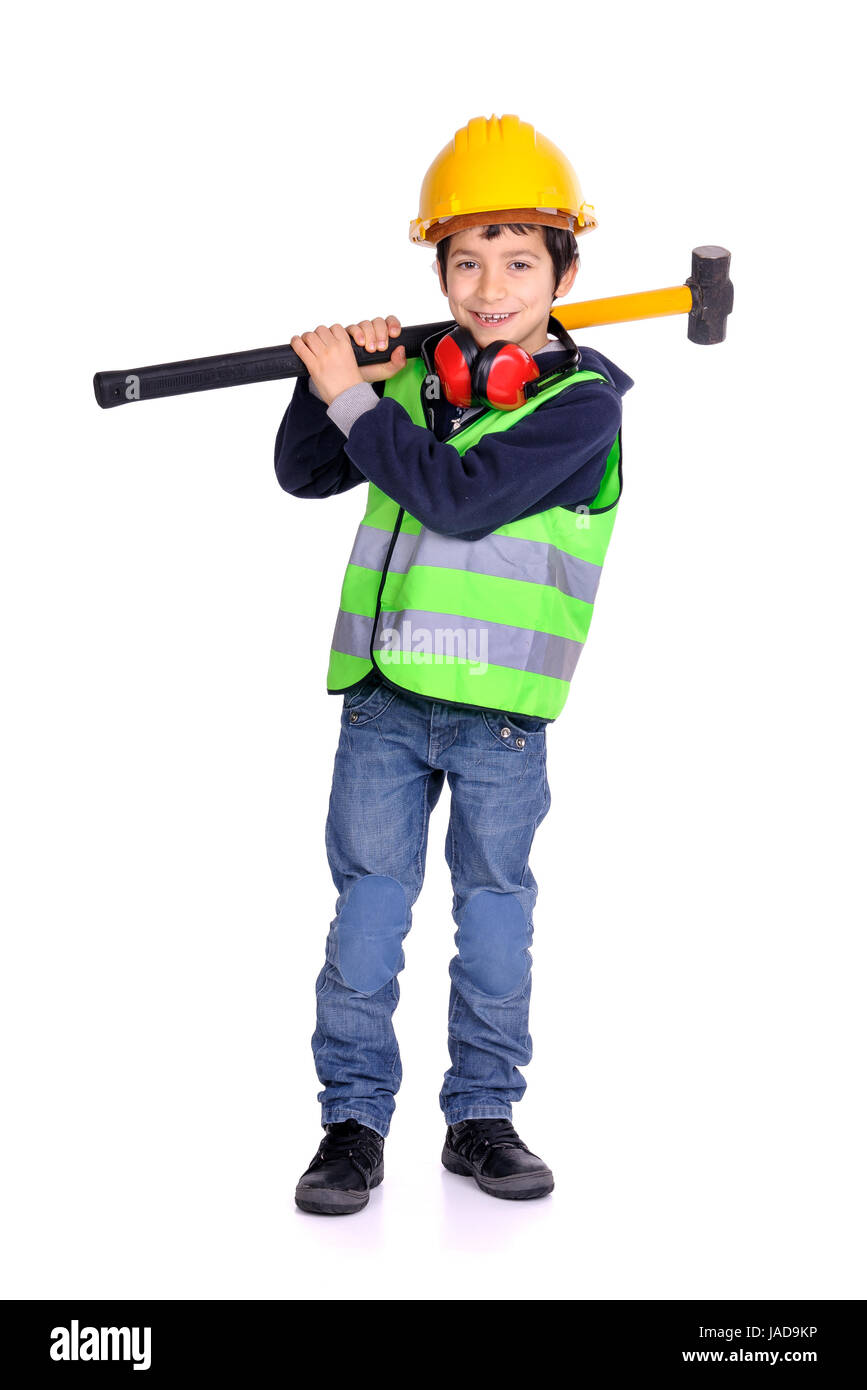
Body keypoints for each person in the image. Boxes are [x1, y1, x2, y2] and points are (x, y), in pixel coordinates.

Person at [275, 115, 634, 1215]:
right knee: (369, 922)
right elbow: (303, 470)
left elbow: (461, 497)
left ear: (565, 270)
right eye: (466, 261)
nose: (490, 285)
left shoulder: (583, 406)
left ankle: (481, 1113)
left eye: (520, 261)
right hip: (384, 705)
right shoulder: (413, 385)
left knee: (492, 922)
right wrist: (333, 379)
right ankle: (350, 1124)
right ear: (437, 268)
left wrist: (355, 396)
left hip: (501, 728)